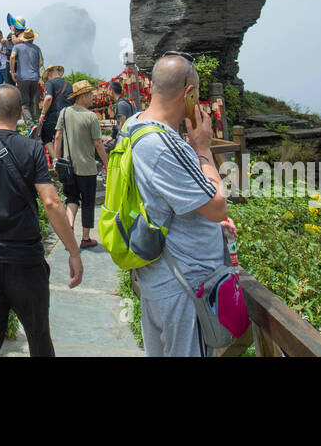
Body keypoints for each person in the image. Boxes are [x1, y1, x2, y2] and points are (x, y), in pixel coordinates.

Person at [0, 84, 83, 357]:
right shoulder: (31, 150)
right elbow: (51, 202)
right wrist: (73, 251)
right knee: (39, 337)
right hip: (25, 260)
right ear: (20, 113)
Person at [127, 53, 233, 357]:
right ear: (189, 92)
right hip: (184, 285)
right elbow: (217, 207)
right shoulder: (162, 145)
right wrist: (203, 149)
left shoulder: (135, 126)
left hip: (160, 277)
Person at [52, 80, 110, 249]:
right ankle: (85, 238)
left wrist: (57, 160)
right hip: (87, 169)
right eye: (90, 94)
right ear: (82, 96)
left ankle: (69, 229)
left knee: (71, 199)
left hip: (69, 167)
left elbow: (58, 137)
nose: (92, 97)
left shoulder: (64, 113)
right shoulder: (91, 116)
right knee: (88, 202)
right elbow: (98, 143)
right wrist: (106, 163)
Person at [9, 29, 44, 126]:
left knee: (24, 103)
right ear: (32, 39)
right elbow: (41, 63)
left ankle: (30, 125)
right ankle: (35, 122)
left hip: (22, 78)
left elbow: (12, 57)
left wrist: (12, 72)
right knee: (33, 102)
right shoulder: (36, 48)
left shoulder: (17, 47)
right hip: (34, 78)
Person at [38, 63, 71, 155]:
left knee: (45, 136)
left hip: (55, 115)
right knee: (64, 139)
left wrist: (43, 113)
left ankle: (56, 160)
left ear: (49, 75)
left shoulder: (50, 82)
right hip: (68, 116)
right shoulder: (68, 85)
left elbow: (48, 98)